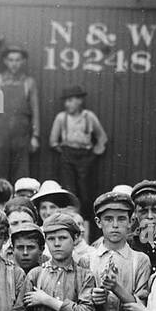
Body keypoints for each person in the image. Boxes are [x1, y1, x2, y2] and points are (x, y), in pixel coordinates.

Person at [0, 43, 41, 180]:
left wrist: (35, 136)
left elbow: (35, 112)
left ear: (23, 62)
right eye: (11, 60)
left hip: (21, 134)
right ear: (5, 61)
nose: (14, 64)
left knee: (21, 172)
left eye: (18, 60)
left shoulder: (28, 83)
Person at [50, 85, 107, 215]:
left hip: (86, 157)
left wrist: (96, 152)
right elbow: (53, 141)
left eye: (70, 100)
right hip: (68, 156)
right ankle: (71, 220)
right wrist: (65, 151)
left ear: (80, 101)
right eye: (65, 101)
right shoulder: (61, 117)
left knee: (86, 192)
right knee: (70, 191)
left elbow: (102, 137)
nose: (66, 104)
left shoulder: (89, 116)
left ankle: (85, 222)